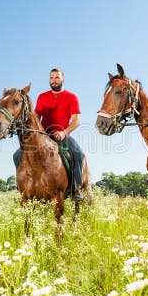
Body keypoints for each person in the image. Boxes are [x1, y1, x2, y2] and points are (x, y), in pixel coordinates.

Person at [32, 68, 85, 201]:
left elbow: (76, 120)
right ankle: (23, 189)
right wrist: (36, 134)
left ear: (63, 79)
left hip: (62, 135)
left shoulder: (72, 97)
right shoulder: (42, 97)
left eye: (57, 77)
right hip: (43, 136)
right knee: (17, 155)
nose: (54, 80)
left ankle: (76, 188)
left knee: (78, 153)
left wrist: (64, 132)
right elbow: (35, 118)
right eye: (51, 78)